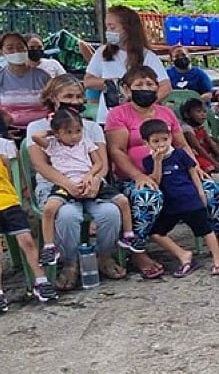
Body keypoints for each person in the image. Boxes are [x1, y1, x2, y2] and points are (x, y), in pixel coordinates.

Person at [105, 66, 219, 278]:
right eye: (139, 85)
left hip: (176, 174)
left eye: (149, 84)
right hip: (137, 178)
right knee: (147, 197)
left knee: (211, 189)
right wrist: (139, 176)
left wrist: (195, 167)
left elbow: (182, 145)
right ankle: (138, 251)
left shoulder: (166, 113)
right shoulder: (118, 115)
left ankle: (215, 239)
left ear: (158, 88)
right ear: (127, 90)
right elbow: (116, 150)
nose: (145, 88)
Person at [26, 75, 126, 289]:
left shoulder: (91, 128)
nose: (75, 101)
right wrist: (67, 184)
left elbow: (102, 163)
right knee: (68, 215)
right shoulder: (37, 128)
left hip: (90, 182)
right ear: (53, 98)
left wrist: (94, 180)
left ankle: (104, 256)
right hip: (55, 186)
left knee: (110, 212)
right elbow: (41, 165)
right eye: (68, 96)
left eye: (79, 96)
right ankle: (70, 263)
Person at [31, 108, 138, 264]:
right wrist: (53, 132)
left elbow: (99, 163)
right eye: (68, 132)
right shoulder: (52, 145)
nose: (74, 136)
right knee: (49, 209)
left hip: (89, 180)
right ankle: (49, 247)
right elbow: (35, 136)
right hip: (66, 183)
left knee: (122, 201)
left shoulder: (85, 142)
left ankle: (128, 236)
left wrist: (90, 175)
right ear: (57, 132)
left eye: (78, 131)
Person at [140, 119, 219, 277]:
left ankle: (217, 259)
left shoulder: (179, 154)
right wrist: (157, 162)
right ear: (146, 143)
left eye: (165, 139)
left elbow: (193, 173)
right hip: (169, 206)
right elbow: (156, 182)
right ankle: (183, 254)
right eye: (155, 141)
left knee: (206, 230)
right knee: (156, 233)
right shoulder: (148, 161)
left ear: (170, 138)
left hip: (190, 201)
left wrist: (200, 194)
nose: (161, 144)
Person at [84, 5, 170, 124]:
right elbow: (88, 81)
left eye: (112, 27)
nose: (108, 31)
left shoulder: (147, 56)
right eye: (107, 27)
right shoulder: (102, 53)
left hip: (138, 120)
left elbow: (165, 87)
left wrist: (144, 104)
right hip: (107, 117)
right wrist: (111, 83)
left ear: (128, 28)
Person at [0, 134, 58, 305]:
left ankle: (40, 281)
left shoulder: (4, 146)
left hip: (9, 202)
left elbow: (14, 171)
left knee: (27, 240)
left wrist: (24, 188)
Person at [0, 31, 53, 128]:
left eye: (20, 47)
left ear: (26, 49)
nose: (16, 51)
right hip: (9, 131)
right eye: (10, 48)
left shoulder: (43, 76)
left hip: (42, 131)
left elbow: (55, 104)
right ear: (2, 52)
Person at [180, 98, 219, 173]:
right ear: (187, 115)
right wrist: (213, 162)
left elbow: (211, 143)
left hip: (205, 153)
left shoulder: (200, 128)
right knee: (206, 165)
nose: (203, 114)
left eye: (204, 112)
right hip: (195, 155)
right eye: (199, 111)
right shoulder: (186, 129)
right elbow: (198, 148)